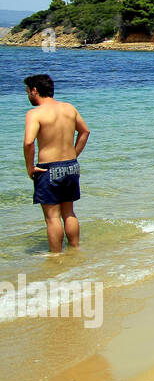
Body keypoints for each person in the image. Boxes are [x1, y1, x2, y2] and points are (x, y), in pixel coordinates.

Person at [23, 74, 90, 254]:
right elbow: (85, 132)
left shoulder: (35, 114)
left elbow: (29, 142)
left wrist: (29, 167)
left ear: (35, 90)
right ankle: (75, 250)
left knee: (52, 218)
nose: (28, 95)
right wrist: (73, 155)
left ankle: (56, 257)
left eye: (28, 91)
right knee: (69, 213)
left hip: (49, 168)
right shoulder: (69, 108)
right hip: (71, 166)